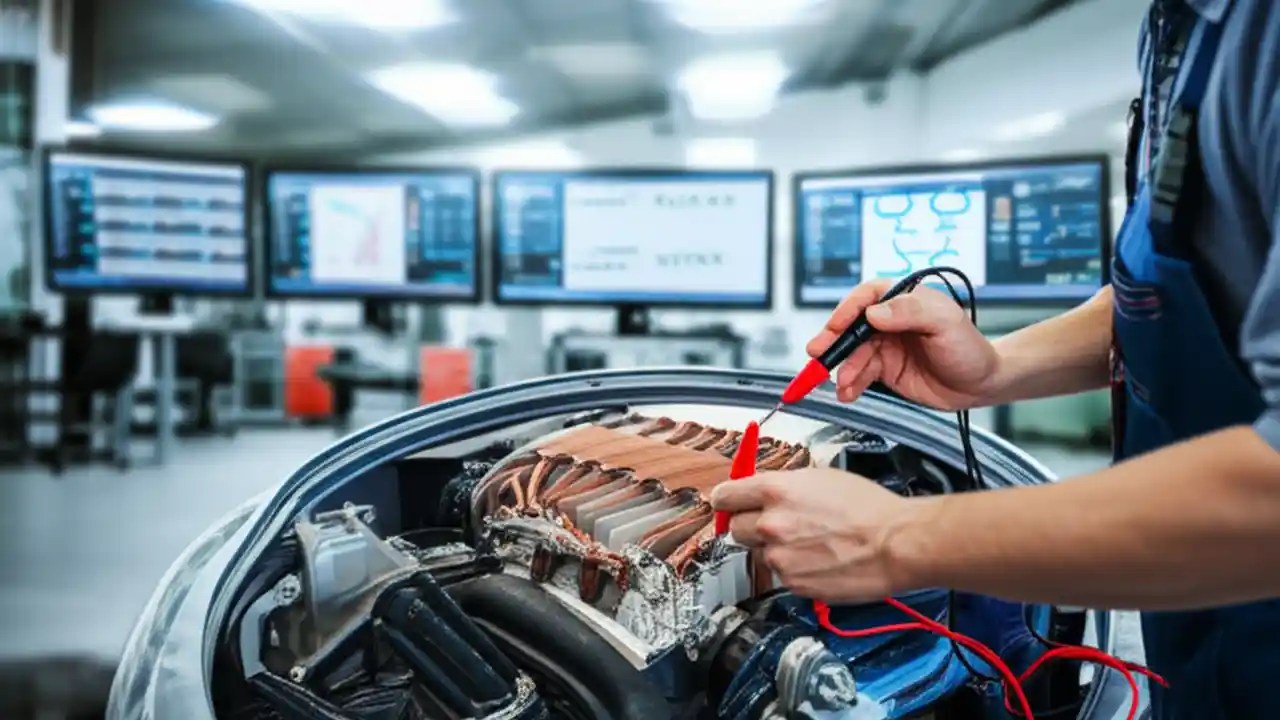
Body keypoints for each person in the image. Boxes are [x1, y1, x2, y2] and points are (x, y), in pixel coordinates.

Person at [710, 0, 1280, 718]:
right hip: (1200, 647)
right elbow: (1189, 289)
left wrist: (896, 537)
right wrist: (997, 366)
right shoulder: (1184, 26)